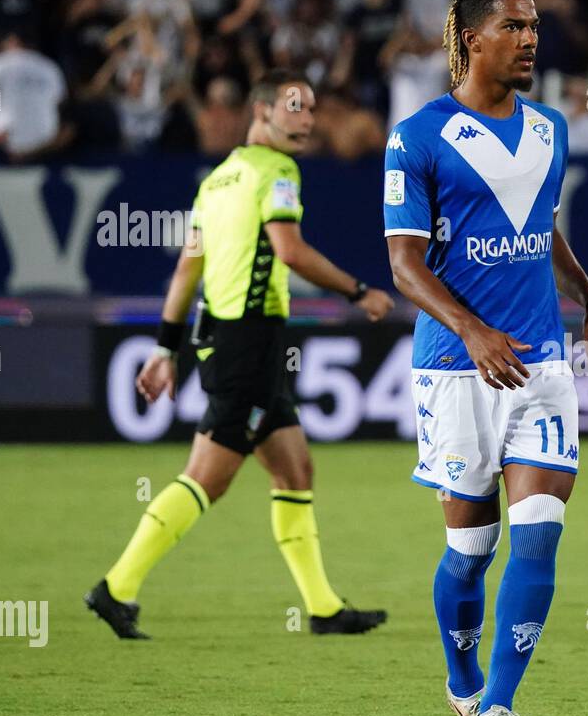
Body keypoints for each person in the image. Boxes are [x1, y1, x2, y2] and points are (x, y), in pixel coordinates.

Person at [384, 0, 588, 716]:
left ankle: (499, 706)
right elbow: (403, 265)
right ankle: (462, 680)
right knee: (469, 551)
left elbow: (537, 228)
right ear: (472, 39)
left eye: (535, 28)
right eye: (515, 28)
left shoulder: (549, 128)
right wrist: (474, 329)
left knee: (542, 530)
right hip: (456, 368)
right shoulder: (417, 137)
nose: (530, 41)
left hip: (541, 364)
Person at [85, 69, 395, 639]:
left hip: (227, 338)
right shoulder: (277, 171)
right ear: (262, 112)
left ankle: (323, 608)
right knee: (209, 476)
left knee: (294, 466)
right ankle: (116, 587)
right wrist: (358, 291)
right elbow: (289, 250)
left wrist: (164, 349)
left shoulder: (218, 180)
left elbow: (187, 270)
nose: (306, 119)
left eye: (310, 109)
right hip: (248, 341)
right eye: (295, 106)